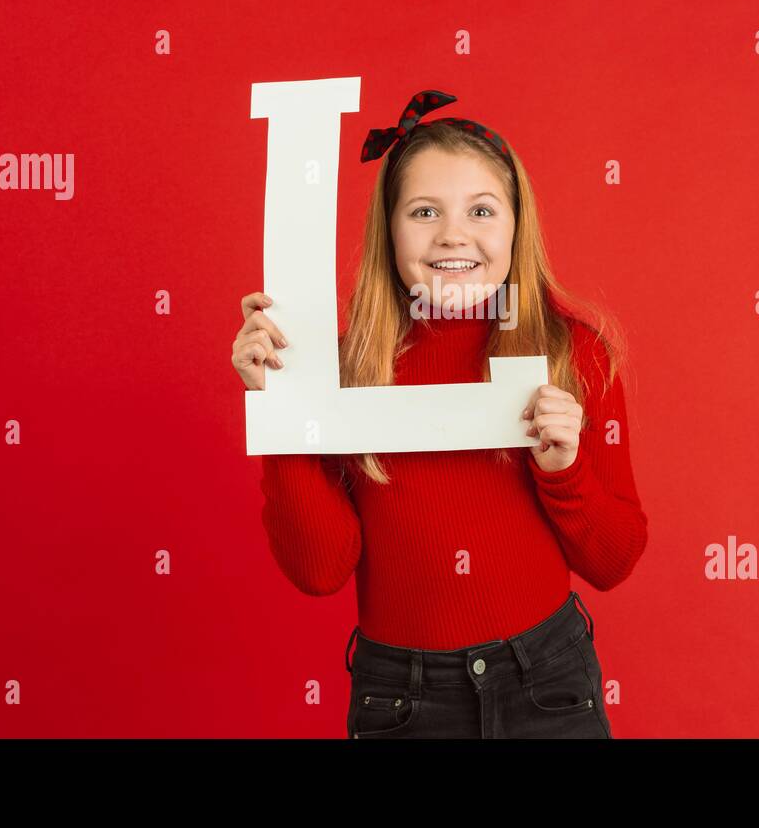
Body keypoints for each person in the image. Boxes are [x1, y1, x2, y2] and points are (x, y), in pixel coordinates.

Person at [232, 89, 647, 738]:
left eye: (481, 210)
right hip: (402, 699)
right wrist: (283, 406)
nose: (454, 234)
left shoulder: (573, 353)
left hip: (547, 684)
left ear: (517, 225)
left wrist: (564, 472)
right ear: (389, 229)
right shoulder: (346, 366)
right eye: (425, 211)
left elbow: (613, 560)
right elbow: (318, 570)